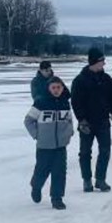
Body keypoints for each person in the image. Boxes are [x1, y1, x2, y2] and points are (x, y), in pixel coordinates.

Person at [23, 76, 73, 210]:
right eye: (53, 88)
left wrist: (69, 133)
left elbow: (69, 120)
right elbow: (28, 121)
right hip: (44, 145)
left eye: (59, 87)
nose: (56, 90)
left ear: (63, 88)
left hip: (60, 145)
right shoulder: (41, 103)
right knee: (42, 170)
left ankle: (57, 198)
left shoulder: (65, 103)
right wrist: (37, 135)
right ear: (48, 89)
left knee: (59, 172)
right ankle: (36, 186)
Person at [71, 48, 112, 192]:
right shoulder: (80, 80)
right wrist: (81, 119)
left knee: (105, 150)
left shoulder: (106, 79)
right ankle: (87, 180)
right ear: (94, 62)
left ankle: (100, 179)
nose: (104, 64)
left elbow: (111, 99)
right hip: (87, 122)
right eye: (102, 61)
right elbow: (76, 102)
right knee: (84, 152)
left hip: (103, 121)